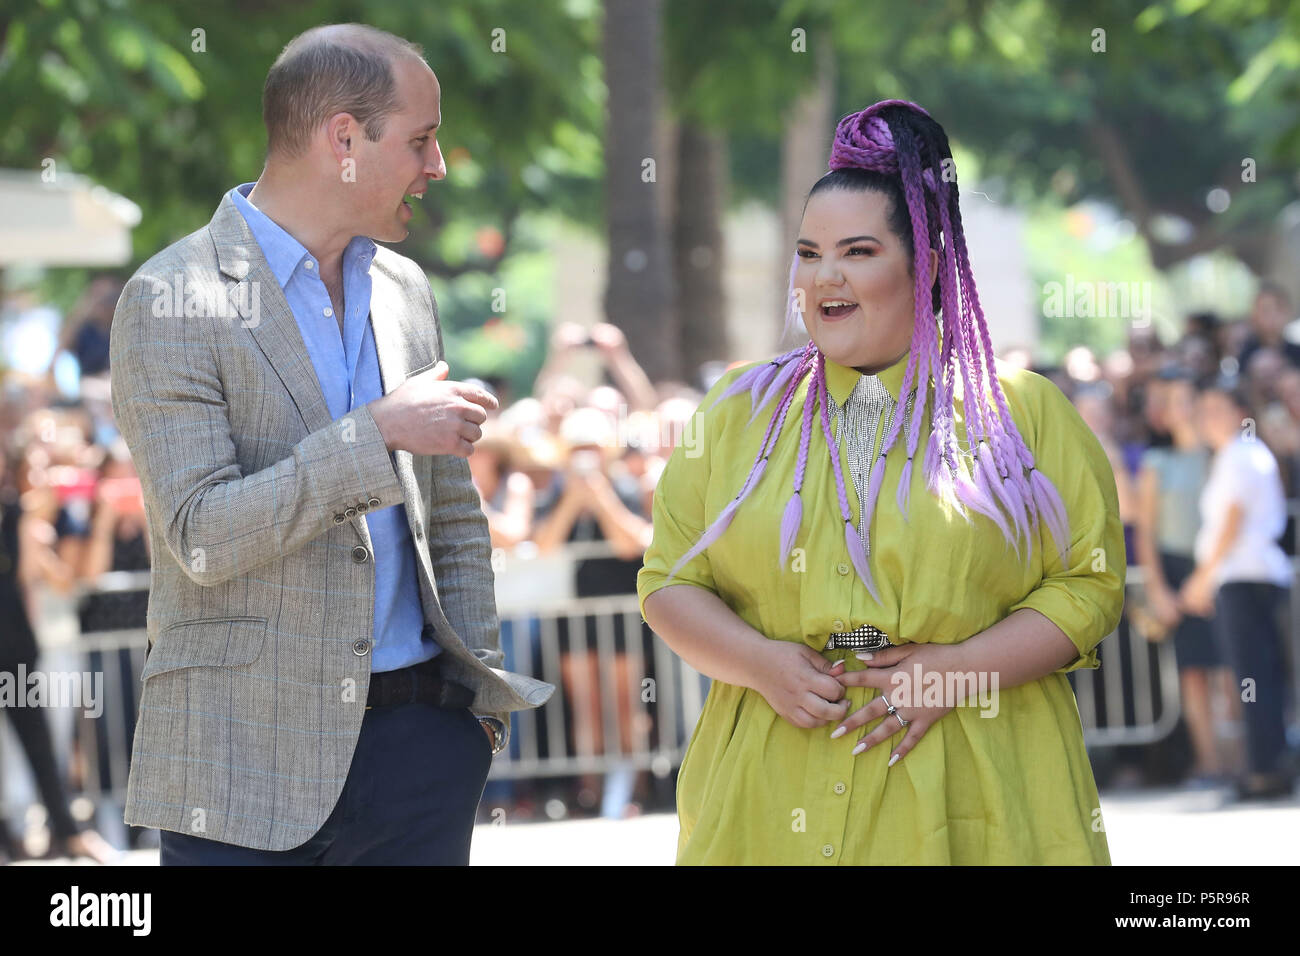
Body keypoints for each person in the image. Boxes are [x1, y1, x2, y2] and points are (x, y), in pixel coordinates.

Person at [108, 23, 553, 865]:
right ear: (343, 139)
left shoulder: (404, 288)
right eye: (421, 140)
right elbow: (203, 534)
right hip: (237, 773)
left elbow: (452, 517)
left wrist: (476, 715)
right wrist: (375, 435)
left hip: (422, 756)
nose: (439, 165)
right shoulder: (169, 297)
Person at [638, 100, 1124, 865]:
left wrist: (958, 674)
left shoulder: (1020, 412)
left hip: (973, 784)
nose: (823, 277)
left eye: (858, 251)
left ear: (924, 260)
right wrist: (761, 665)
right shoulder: (738, 410)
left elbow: (1089, 585)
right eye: (807, 252)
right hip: (772, 787)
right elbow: (668, 581)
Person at [1180, 380, 1295, 800]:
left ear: (1238, 411)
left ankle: (1265, 771)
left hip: (1246, 579)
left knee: (1254, 678)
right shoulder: (1239, 454)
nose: (1206, 417)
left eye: (1216, 408)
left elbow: (1230, 522)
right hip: (1247, 579)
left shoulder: (1241, 454)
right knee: (1257, 677)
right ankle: (1266, 766)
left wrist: (1201, 578)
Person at [1133, 369, 1236, 787]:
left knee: (1231, 674)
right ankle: (1211, 765)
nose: (1182, 410)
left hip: (1220, 566)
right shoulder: (1156, 463)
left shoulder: (1221, 456)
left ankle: (1242, 762)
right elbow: (1146, 532)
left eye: (1187, 400)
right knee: (1193, 673)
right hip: (1176, 571)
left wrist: (1210, 576)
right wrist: (1158, 589)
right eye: (1172, 403)